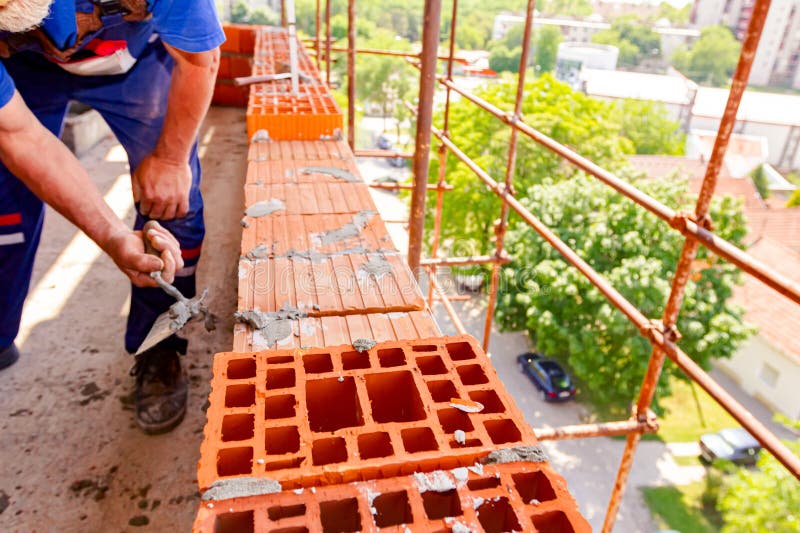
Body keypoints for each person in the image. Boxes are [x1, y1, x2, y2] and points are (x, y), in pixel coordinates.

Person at [0, 0, 225, 434]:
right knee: (4, 209)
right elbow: (16, 134)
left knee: (172, 206)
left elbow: (200, 59)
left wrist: (171, 158)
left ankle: (157, 346)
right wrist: (111, 234)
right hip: (23, 70)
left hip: (131, 63)